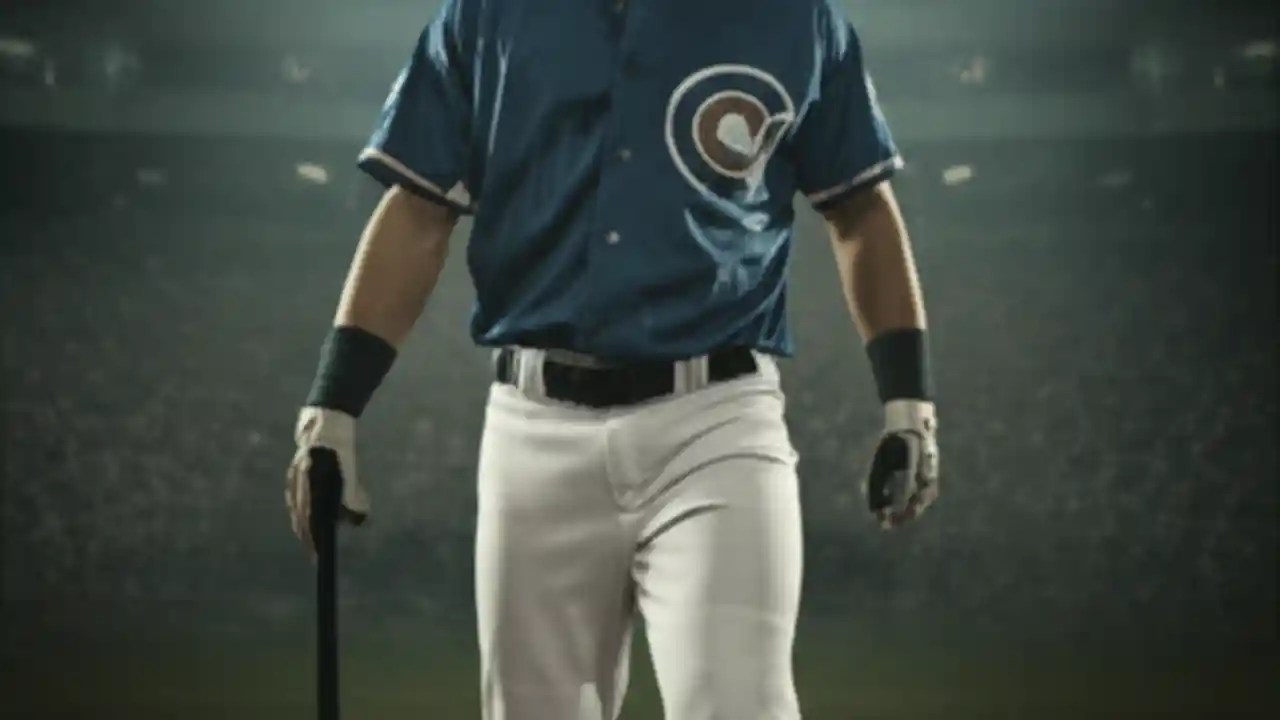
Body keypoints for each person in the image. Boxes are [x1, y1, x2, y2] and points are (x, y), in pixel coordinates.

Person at [285, 0, 940, 717]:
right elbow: (419, 211)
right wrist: (334, 403)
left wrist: (910, 405)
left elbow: (860, 209)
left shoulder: (793, 17)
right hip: (533, 426)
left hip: (716, 422)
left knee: (740, 704)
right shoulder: (486, 13)